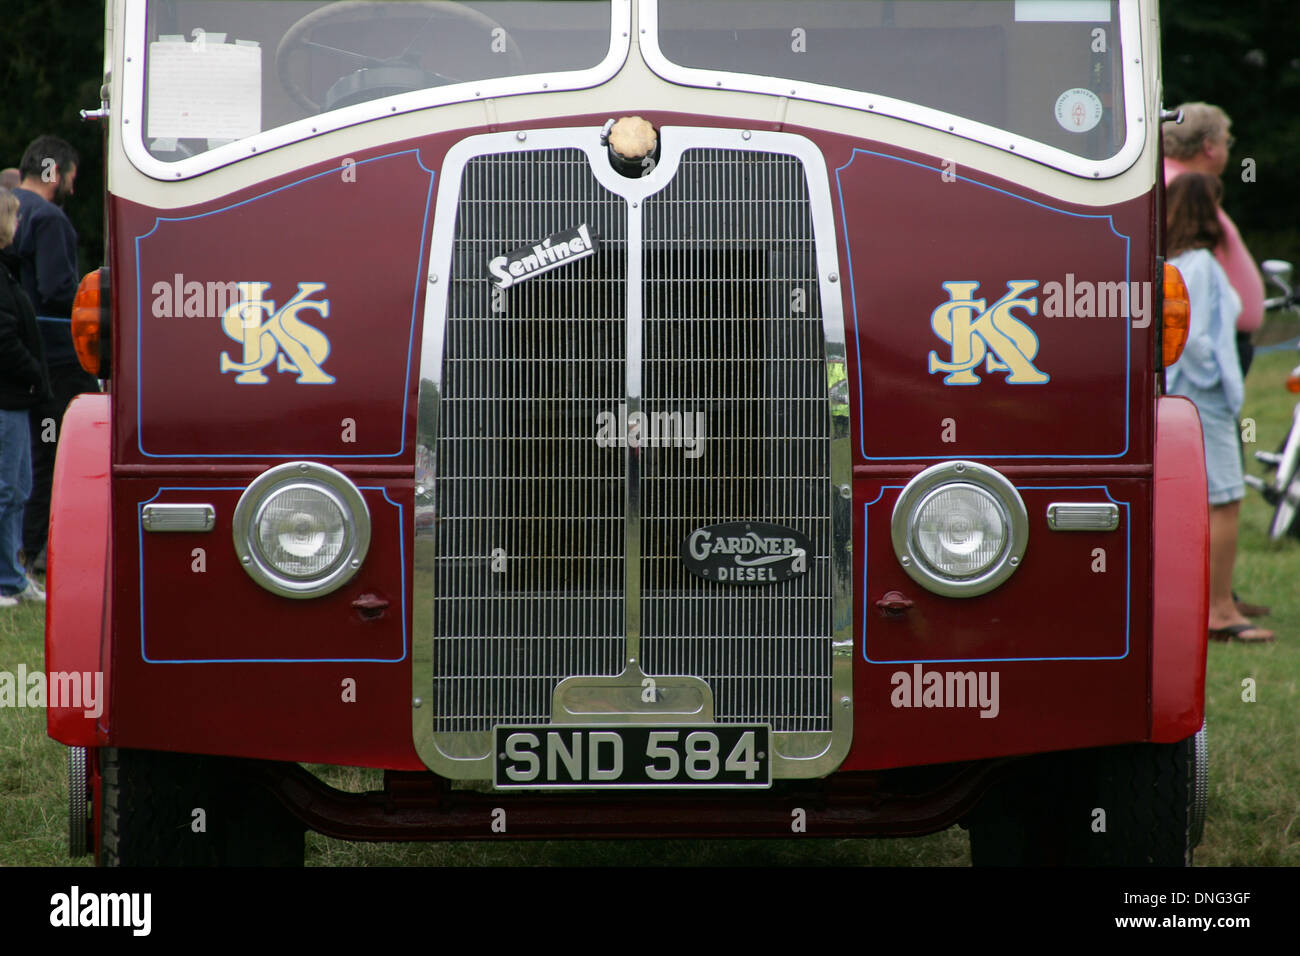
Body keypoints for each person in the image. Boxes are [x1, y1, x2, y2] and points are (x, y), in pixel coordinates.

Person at [1164, 174, 1273, 643]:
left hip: (1184, 392)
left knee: (1196, 502)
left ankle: (1203, 601)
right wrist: (1217, 381)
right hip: (1204, 395)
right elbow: (1195, 337)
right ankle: (1220, 611)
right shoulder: (1204, 263)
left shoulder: (1174, 260)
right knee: (1225, 499)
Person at [10, 135, 99, 574]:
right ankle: (37, 552)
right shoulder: (49, 219)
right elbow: (57, 288)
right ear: (53, 172)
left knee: (25, 453)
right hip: (58, 362)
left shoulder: (11, 208)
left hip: (19, 356)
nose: (72, 188)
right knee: (54, 451)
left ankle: (19, 549)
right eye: (70, 178)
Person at [0, 187, 51, 605]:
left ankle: (13, 577)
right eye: (15, 218)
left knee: (18, 488)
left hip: (14, 400)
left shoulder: (8, 269)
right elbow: (4, 339)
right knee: (6, 490)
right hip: (6, 399)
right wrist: (35, 371)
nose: (19, 226)